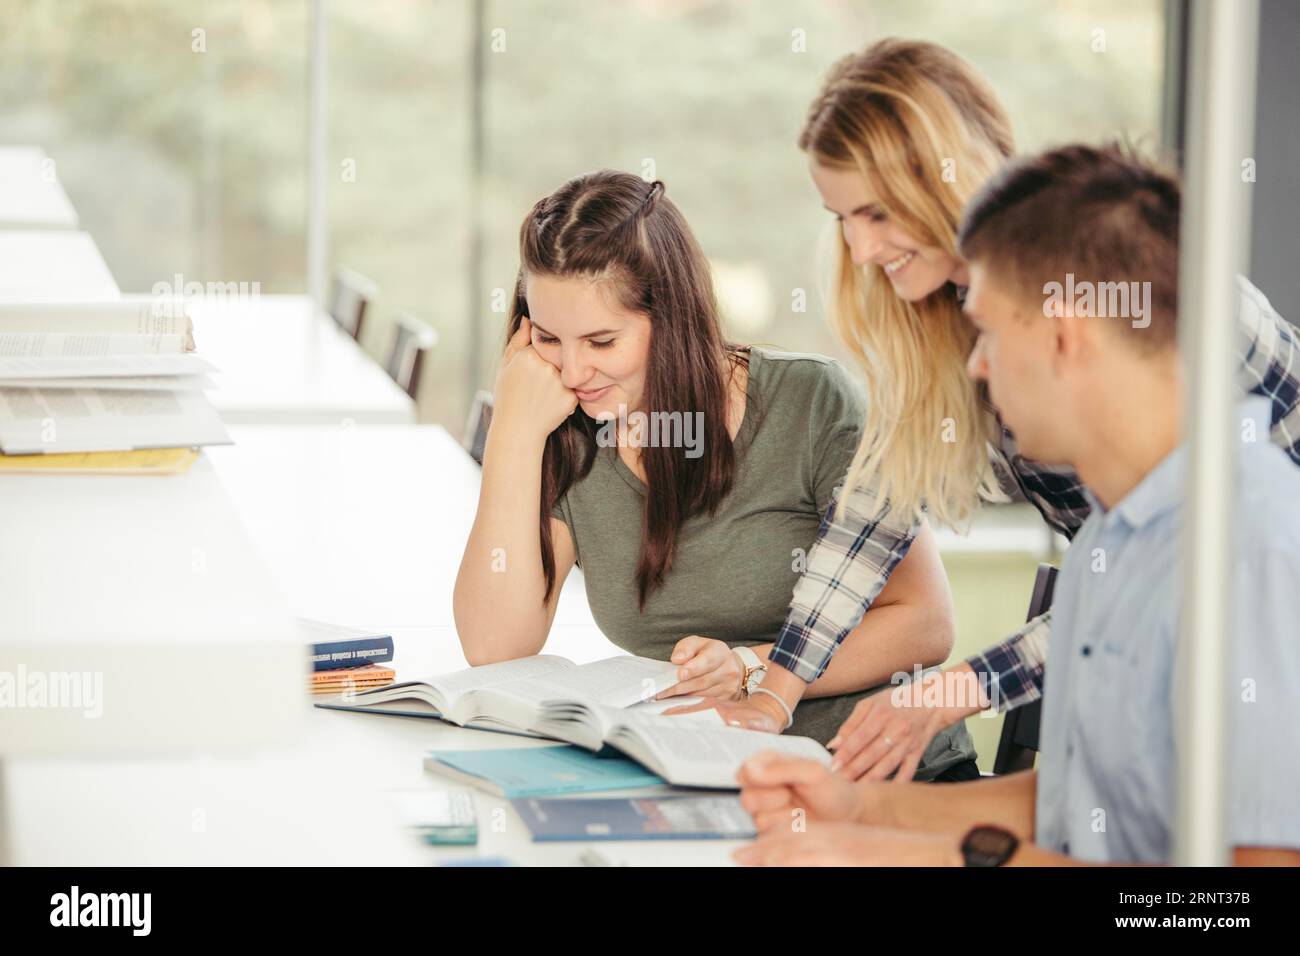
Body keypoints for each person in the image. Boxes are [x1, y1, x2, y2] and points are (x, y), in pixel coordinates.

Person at [679, 39, 1300, 786]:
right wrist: (776, 692)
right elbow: (873, 513)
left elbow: (1184, 576)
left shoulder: (1139, 293)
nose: (862, 248)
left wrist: (953, 691)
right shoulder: (944, 314)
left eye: (876, 213)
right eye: (841, 217)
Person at [452, 168, 978, 774]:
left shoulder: (810, 403)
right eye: (547, 339)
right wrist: (514, 435)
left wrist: (752, 667)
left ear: (671, 322)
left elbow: (926, 622)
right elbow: (495, 647)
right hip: (702, 771)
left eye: (601, 342)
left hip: (873, 770)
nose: (572, 371)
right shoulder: (567, 427)